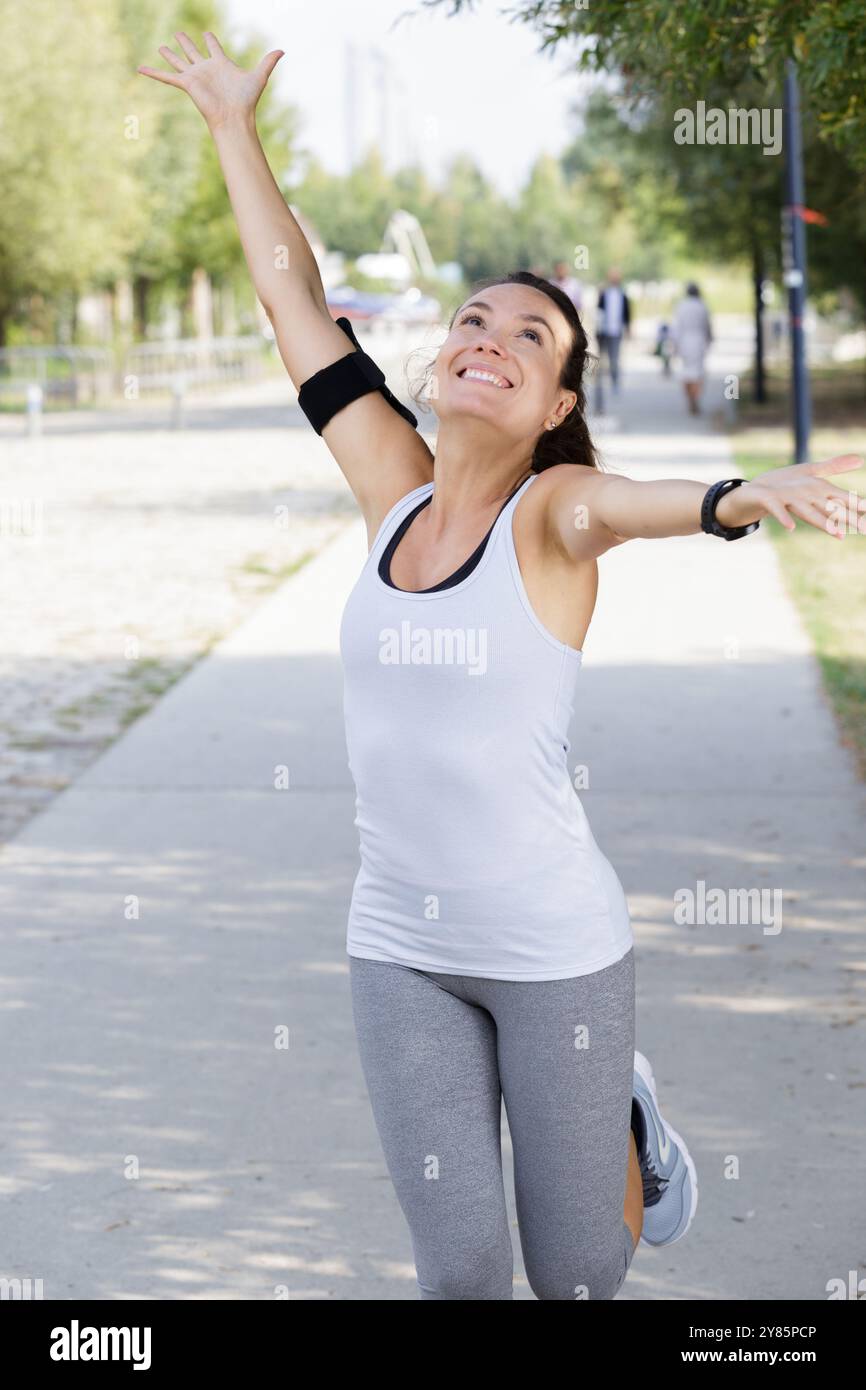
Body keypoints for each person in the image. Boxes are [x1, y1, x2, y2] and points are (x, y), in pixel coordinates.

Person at [139, 33, 866, 1302]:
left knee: (576, 1276)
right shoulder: (388, 490)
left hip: (554, 953)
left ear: (550, 403)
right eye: (472, 318)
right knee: (463, 1275)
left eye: (530, 335)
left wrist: (737, 495)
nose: (490, 335)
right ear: (438, 363)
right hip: (399, 945)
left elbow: (639, 504)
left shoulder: (555, 510)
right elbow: (292, 302)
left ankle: (628, 1124)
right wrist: (228, 128)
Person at [673, 282, 713, 415]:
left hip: (685, 341)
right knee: (698, 373)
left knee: (687, 372)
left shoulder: (681, 306)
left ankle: (690, 398)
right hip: (699, 340)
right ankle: (695, 397)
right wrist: (709, 339)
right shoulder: (702, 306)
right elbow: (707, 325)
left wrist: (675, 344)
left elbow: (677, 327)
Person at [595, 267, 631, 409]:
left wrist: (628, 328)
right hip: (604, 331)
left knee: (614, 359)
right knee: (602, 359)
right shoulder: (604, 294)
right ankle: (601, 383)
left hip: (616, 331)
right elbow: (599, 312)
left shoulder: (623, 295)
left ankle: (615, 382)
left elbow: (627, 313)